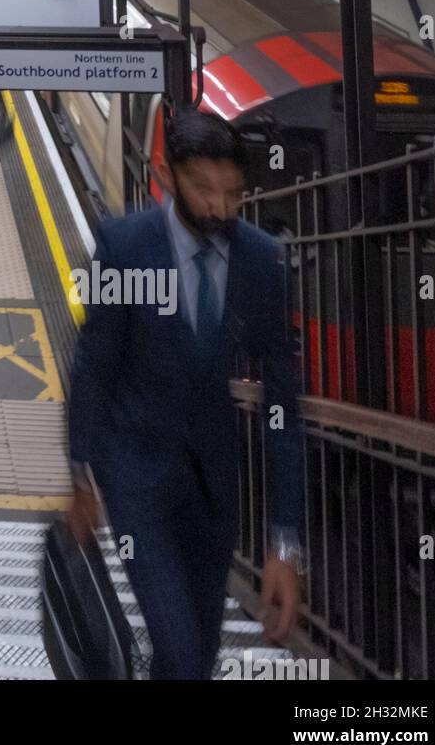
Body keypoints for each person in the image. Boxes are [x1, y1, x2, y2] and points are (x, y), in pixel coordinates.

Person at [68, 110, 303, 681]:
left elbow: (282, 407)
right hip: (134, 479)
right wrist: (81, 472)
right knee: (176, 650)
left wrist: (285, 546)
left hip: (213, 490)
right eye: (204, 190)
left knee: (195, 658)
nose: (220, 208)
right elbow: (94, 363)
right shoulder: (121, 247)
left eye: (233, 194)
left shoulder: (262, 261)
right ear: (167, 176)